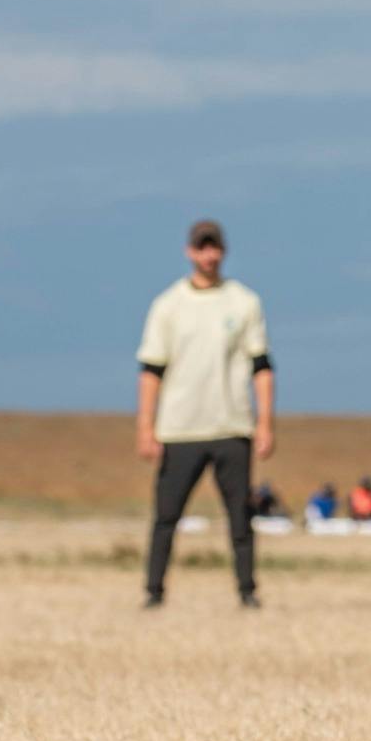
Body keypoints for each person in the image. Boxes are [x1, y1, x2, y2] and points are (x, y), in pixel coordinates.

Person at [135, 218, 274, 607]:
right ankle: (153, 592)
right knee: (166, 516)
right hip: (180, 427)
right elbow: (151, 370)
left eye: (214, 247)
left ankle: (247, 592)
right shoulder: (168, 306)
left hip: (231, 424)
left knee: (240, 518)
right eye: (202, 247)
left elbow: (261, 366)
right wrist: (146, 427)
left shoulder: (244, 302)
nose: (208, 255)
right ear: (189, 252)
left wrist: (265, 422)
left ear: (223, 251)